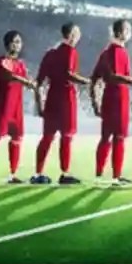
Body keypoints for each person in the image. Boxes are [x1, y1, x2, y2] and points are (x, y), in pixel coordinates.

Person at [32, 22, 90, 185]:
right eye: (77, 33)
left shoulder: (50, 53)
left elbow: (39, 81)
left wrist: (39, 104)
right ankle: (65, 173)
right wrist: (87, 81)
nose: (79, 36)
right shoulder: (71, 51)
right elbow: (69, 74)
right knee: (66, 137)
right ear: (71, 34)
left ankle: (38, 173)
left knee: (47, 137)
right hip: (65, 98)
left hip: (51, 97)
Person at [0, 31, 38, 184]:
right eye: (15, 41)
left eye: (19, 42)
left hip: (16, 109)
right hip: (3, 108)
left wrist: (36, 89)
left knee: (17, 139)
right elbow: (7, 76)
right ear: (8, 44)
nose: (18, 45)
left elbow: (26, 80)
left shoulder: (20, 64)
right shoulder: (0, 62)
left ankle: (12, 175)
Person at [90, 19, 132, 186]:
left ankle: (99, 173)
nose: (130, 33)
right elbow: (114, 76)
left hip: (108, 97)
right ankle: (116, 176)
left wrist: (95, 102)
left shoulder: (105, 52)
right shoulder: (118, 52)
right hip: (118, 98)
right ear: (119, 32)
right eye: (127, 29)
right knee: (119, 137)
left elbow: (94, 78)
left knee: (105, 137)